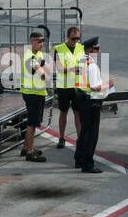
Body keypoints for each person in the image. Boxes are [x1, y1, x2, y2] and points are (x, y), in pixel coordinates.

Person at [73, 37, 113, 173]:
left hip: (81, 100)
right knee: (91, 135)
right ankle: (87, 164)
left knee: (84, 132)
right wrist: (109, 85)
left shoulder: (80, 62)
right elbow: (96, 87)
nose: (99, 51)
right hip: (92, 102)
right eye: (96, 49)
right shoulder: (92, 65)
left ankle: (78, 159)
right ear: (90, 50)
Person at [51, 26, 84, 149]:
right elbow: (59, 69)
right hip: (64, 87)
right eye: (73, 38)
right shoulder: (59, 49)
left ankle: (80, 138)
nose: (75, 41)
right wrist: (74, 69)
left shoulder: (81, 47)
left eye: (77, 38)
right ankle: (61, 137)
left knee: (78, 113)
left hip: (77, 86)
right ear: (67, 37)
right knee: (63, 112)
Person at [19, 31, 48, 162]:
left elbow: (46, 68)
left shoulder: (39, 54)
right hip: (32, 94)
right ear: (32, 42)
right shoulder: (29, 57)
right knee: (32, 124)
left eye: (42, 41)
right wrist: (44, 72)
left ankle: (26, 148)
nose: (41, 44)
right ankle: (30, 152)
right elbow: (42, 72)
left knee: (33, 123)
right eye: (38, 41)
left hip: (38, 92)